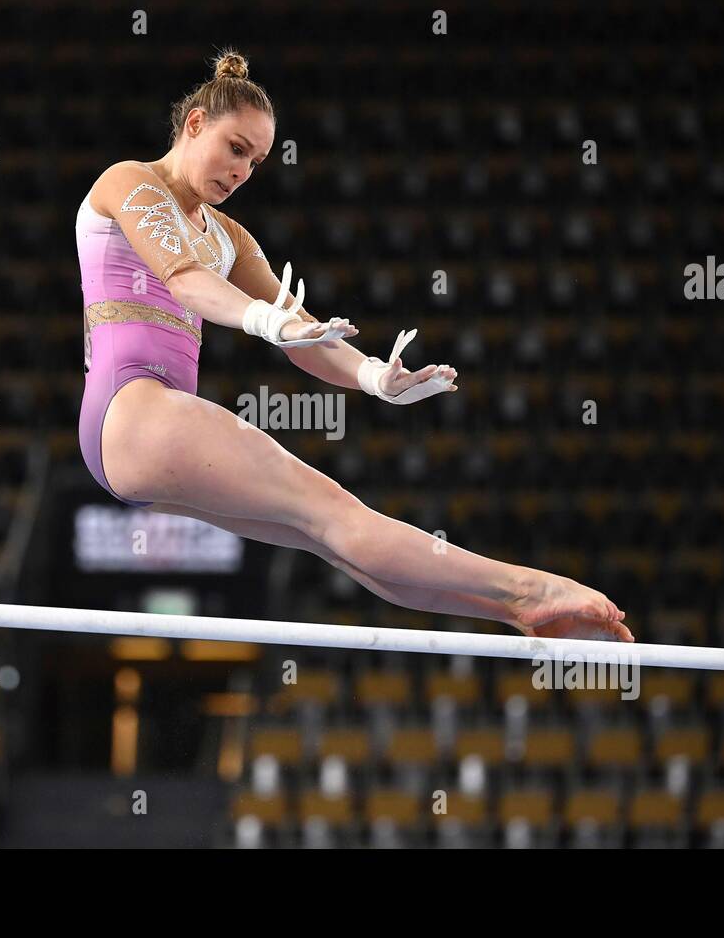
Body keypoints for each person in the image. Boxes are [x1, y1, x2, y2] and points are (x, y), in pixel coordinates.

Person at [76, 48, 631, 642]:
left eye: (257, 162)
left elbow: (307, 335)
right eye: (236, 148)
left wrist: (373, 377)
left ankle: (516, 612)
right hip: (132, 410)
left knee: (327, 536)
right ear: (194, 124)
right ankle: (529, 586)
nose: (242, 172)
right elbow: (186, 280)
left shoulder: (230, 237)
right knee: (335, 512)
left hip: (139, 440)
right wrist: (269, 320)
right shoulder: (128, 181)